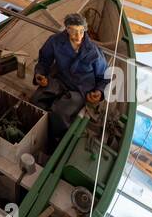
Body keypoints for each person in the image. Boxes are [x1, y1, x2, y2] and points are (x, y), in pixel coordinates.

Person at [31, 11, 110, 142]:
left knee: (59, 113)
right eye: (73, 31)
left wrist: (99, 92)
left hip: (80, 90)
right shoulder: (55, 41)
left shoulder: (94, 52)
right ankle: (34, 133)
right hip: (59, 80)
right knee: (36, 100)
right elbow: (44, 60)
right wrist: (40, 75)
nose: (78, 35)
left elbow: (104, 77)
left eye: (81, 31)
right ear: (67, 29)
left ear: (85, 30)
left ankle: (55, 142)